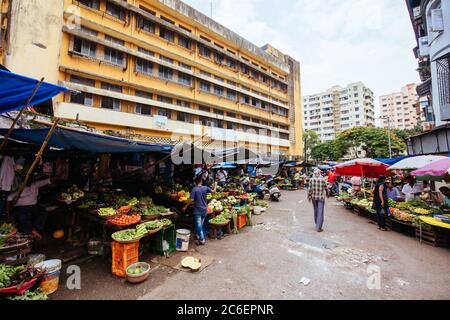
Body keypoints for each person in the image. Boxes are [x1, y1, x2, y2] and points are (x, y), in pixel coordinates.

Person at [7, 175, 61, 240]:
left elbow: (48, 180)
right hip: (20, 207)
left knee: (42, 210)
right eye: (27, 179)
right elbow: (9, 198)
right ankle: (31, 231)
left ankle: (36, 228)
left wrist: (59, 176)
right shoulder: (20, 189)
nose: (29, 181)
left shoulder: (35, 184)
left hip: (33, 206)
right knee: (21, 216)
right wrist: (8, 213)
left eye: (30, 179)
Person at [182, 176, 216, 245]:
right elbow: (214, 191)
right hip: (204, 209)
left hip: (198, 210)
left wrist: (185, 206)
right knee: (201, 224)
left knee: (198, 225)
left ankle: (202, 239)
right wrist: (215, 184)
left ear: (195, 182)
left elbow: (191, 200)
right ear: (201, 181)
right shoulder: (205, 187)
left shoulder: (194, 189)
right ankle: (198, 235)